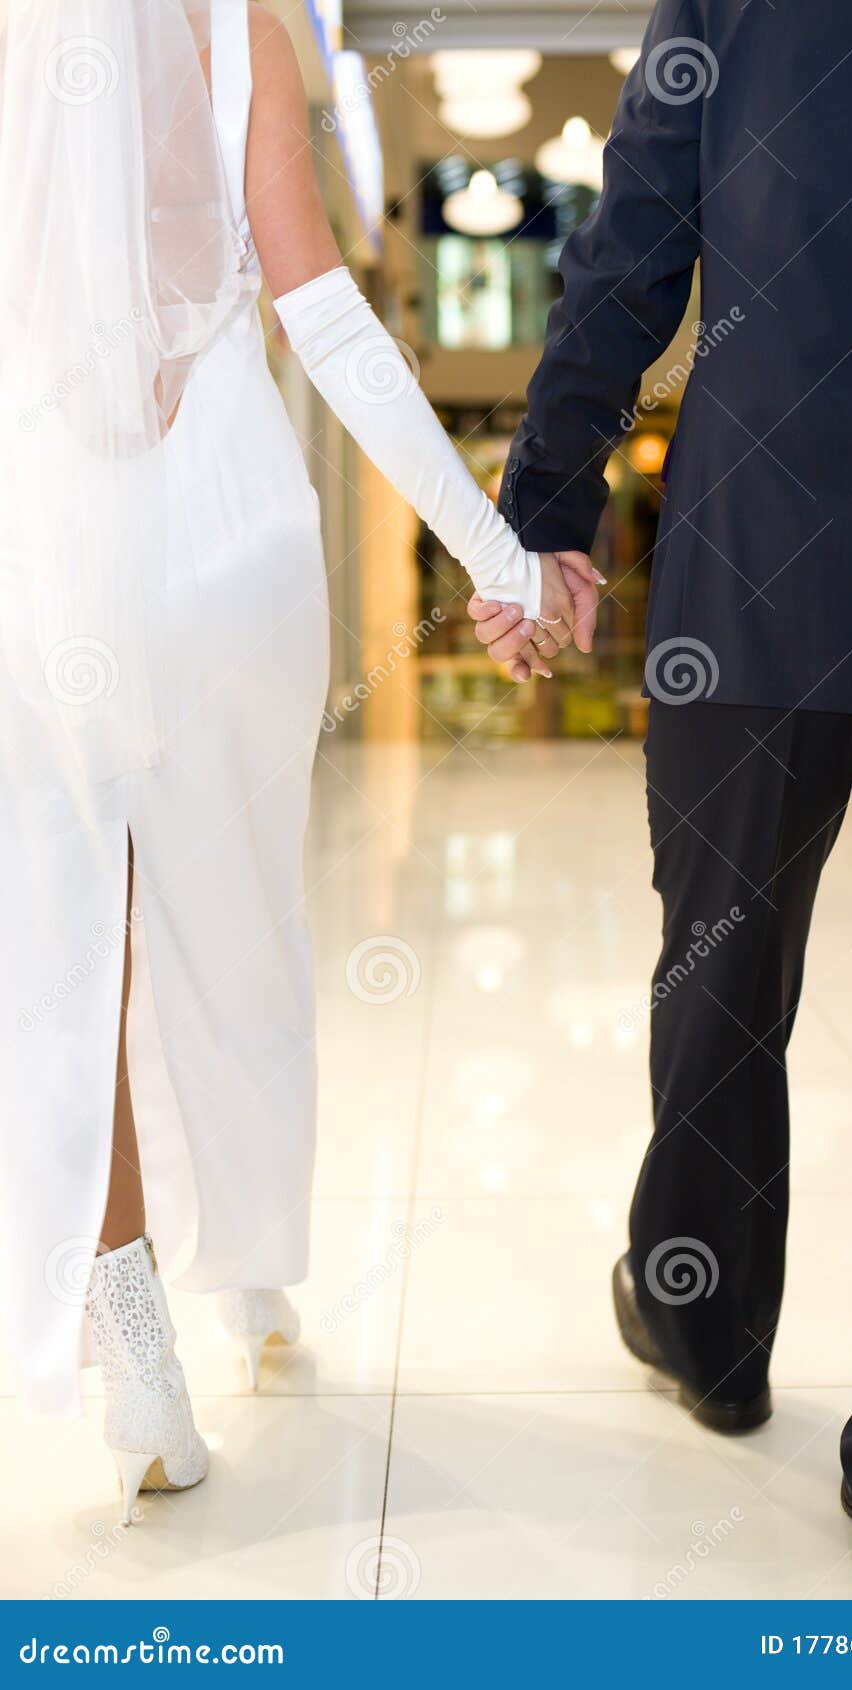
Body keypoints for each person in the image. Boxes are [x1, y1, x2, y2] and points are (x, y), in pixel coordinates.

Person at [469, 0, 852, 1598]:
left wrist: (549, 499)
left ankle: (708, 1329)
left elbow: (635, 233)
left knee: (721, 980)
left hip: (765, 567)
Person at [0, 0, 600, 1525]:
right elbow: (323, 311)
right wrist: (499, 554)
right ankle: (254, 1266)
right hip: (225, 533)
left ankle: (135, 1347)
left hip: (47, 529)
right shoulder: (237, 23)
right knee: (238, 920)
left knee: (78, 940)